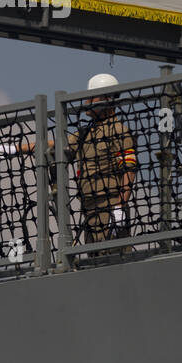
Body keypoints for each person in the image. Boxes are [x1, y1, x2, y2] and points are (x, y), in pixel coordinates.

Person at [21, 74, 138, 248]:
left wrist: (120, 206)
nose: (86, 102)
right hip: (89, 210)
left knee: (113, 259)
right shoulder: (85, 134)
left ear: (107, 98)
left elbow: (128, 169)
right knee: (94, 261)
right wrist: (13, 149)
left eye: (92, 97)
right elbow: (54, 145)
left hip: (110, 207)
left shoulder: (119, 131)